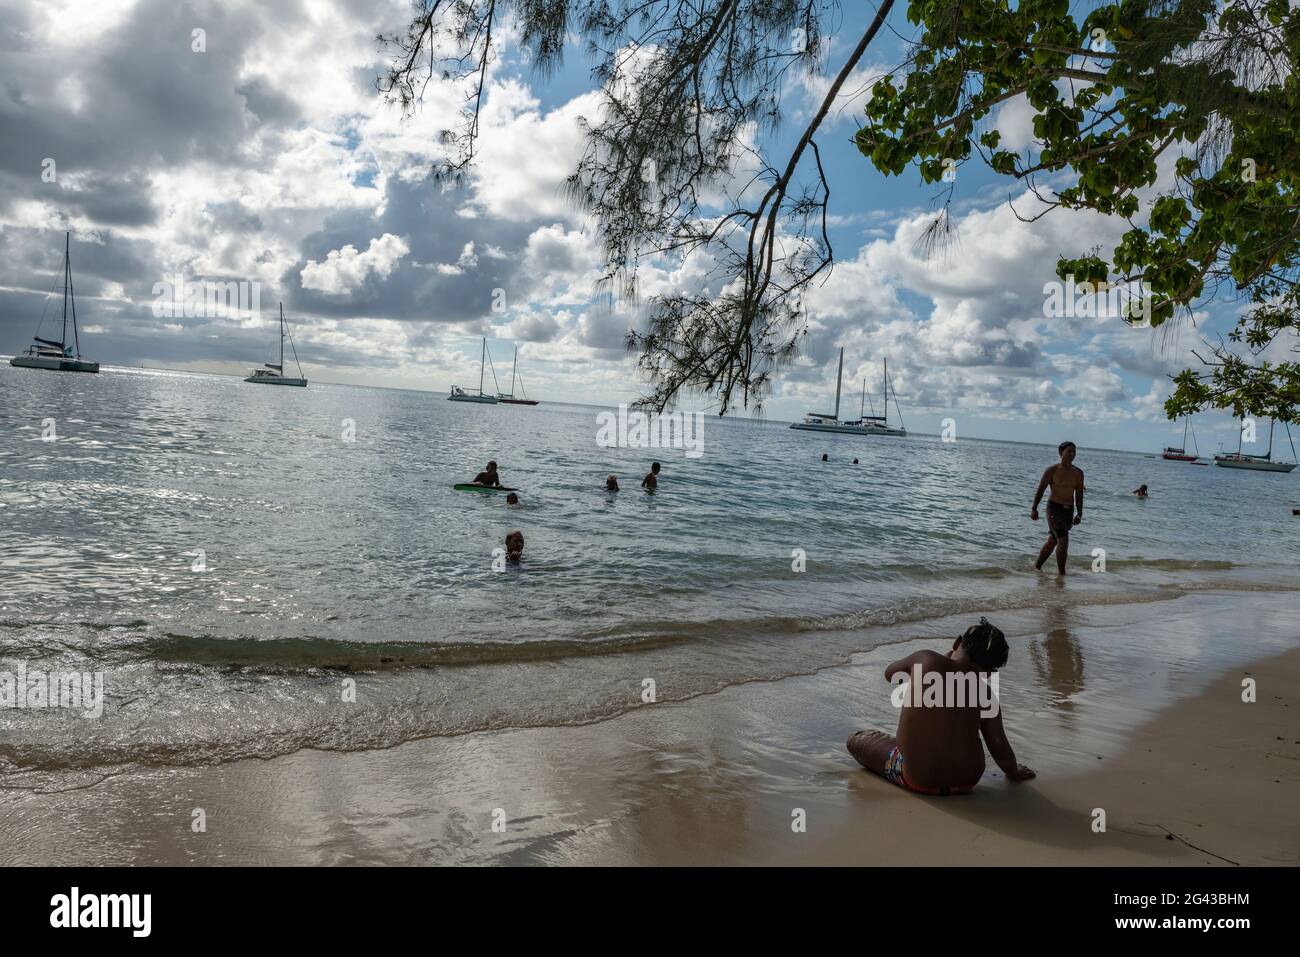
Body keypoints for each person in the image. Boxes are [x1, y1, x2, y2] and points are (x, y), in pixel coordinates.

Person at [846, 618, 1035, 795]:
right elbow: (998, 744)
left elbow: (890, 674)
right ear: (990, 672)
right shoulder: (986, 695)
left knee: (857, 740)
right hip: (967, 781)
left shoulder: (926, 659)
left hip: (920, 781)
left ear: (957, 642)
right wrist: (1014, 771)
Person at [1031, 441, 1084, 575]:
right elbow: (1041, 489)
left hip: (1069, 510)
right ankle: (1062, 574)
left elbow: (1079, 494)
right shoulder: (1052, 470)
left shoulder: (1078, 473)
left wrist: (1079, 513)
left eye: (1074, 451)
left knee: (1053, 540)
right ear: (1061, 453)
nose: (1072, 454)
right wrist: (1034, 508)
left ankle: (1036, 568)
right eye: (1069, 451)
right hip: (1054, 508)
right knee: (1063, 539)